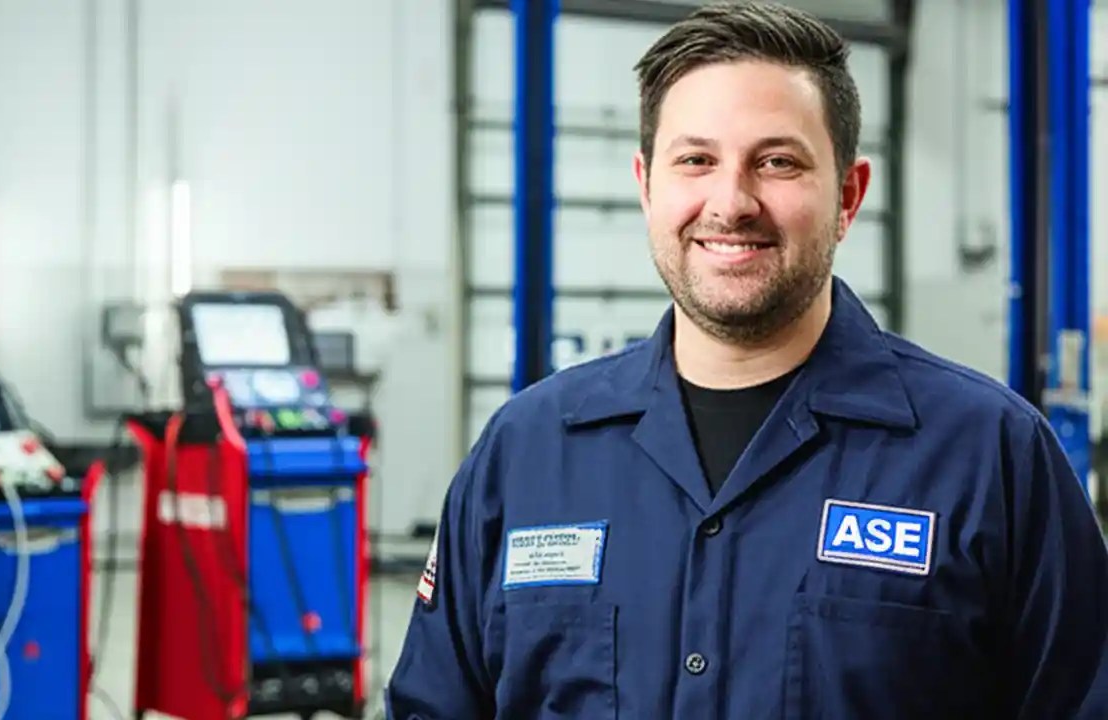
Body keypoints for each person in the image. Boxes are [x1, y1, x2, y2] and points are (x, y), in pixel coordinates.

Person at [385, 2, 1108, 718]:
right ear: (645, 185)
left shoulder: (988, 458)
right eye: (696, 160)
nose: (730, 202)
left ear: (849, 196)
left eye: (777, 161)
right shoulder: (526, 452)